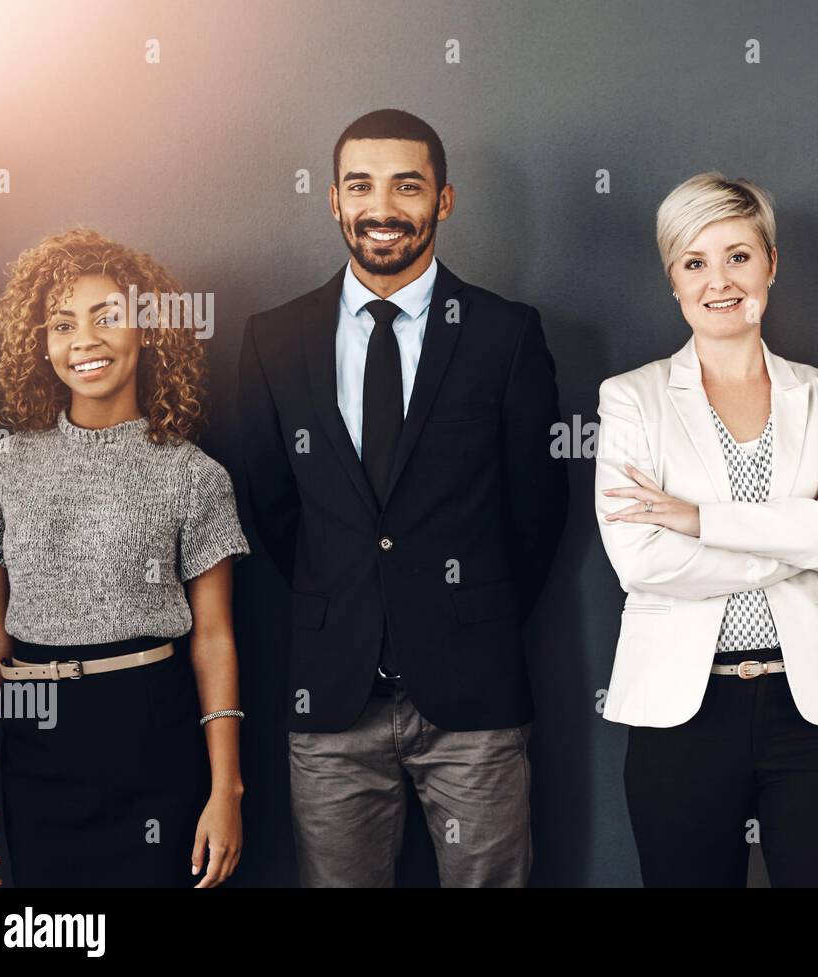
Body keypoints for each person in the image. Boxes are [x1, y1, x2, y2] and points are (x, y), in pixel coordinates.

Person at [236, 109, 568, 887]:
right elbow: (272, 507)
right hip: (331, 692)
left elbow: (537, 512)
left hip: (475, 693)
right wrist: (347, 602)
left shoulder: (505, 334)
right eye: (361, 185)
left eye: (406, 185)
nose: (382, 207)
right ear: (333, 200)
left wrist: (461, 613)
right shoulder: (274, 339)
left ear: (443, 201)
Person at [594, 172, 818, 886]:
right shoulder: (631, 400)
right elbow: (642, 562)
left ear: (771, 263)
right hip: (682, 714)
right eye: (694, 262)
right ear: (672, 278)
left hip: (815, 708)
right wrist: (805, 539)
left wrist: (701, 521)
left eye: (738, 255)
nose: (719, 280)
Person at [0, 228, 249, 887]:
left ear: (146, 330)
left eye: (106, 317)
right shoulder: (1, 469)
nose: (83, 340)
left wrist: (225, 789)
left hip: (153, 738)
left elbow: (215, 639)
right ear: (43, 342)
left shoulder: (195, 475)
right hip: (36, 748)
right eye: (63, 324)